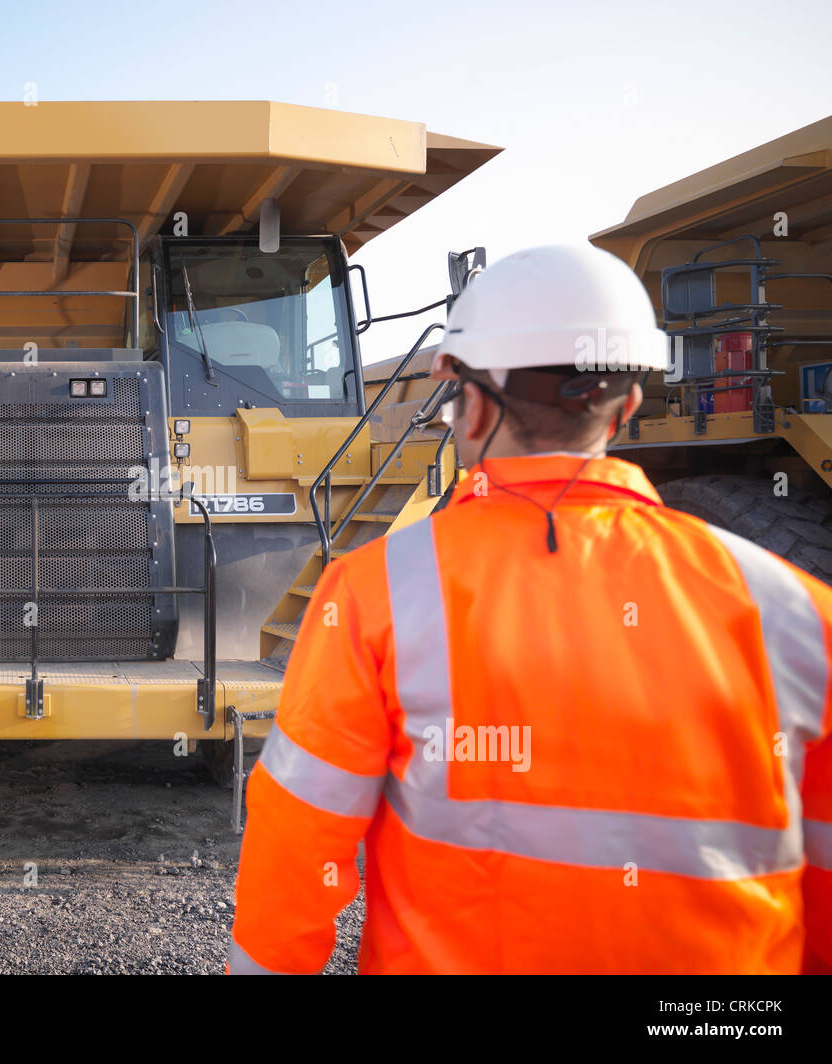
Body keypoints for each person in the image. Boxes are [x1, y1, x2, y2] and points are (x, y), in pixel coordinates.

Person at [228, 243, 832, 974]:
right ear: (631, 402)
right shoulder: (797, 611)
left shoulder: (375, 593)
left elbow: (299, 844)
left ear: (472, 402)